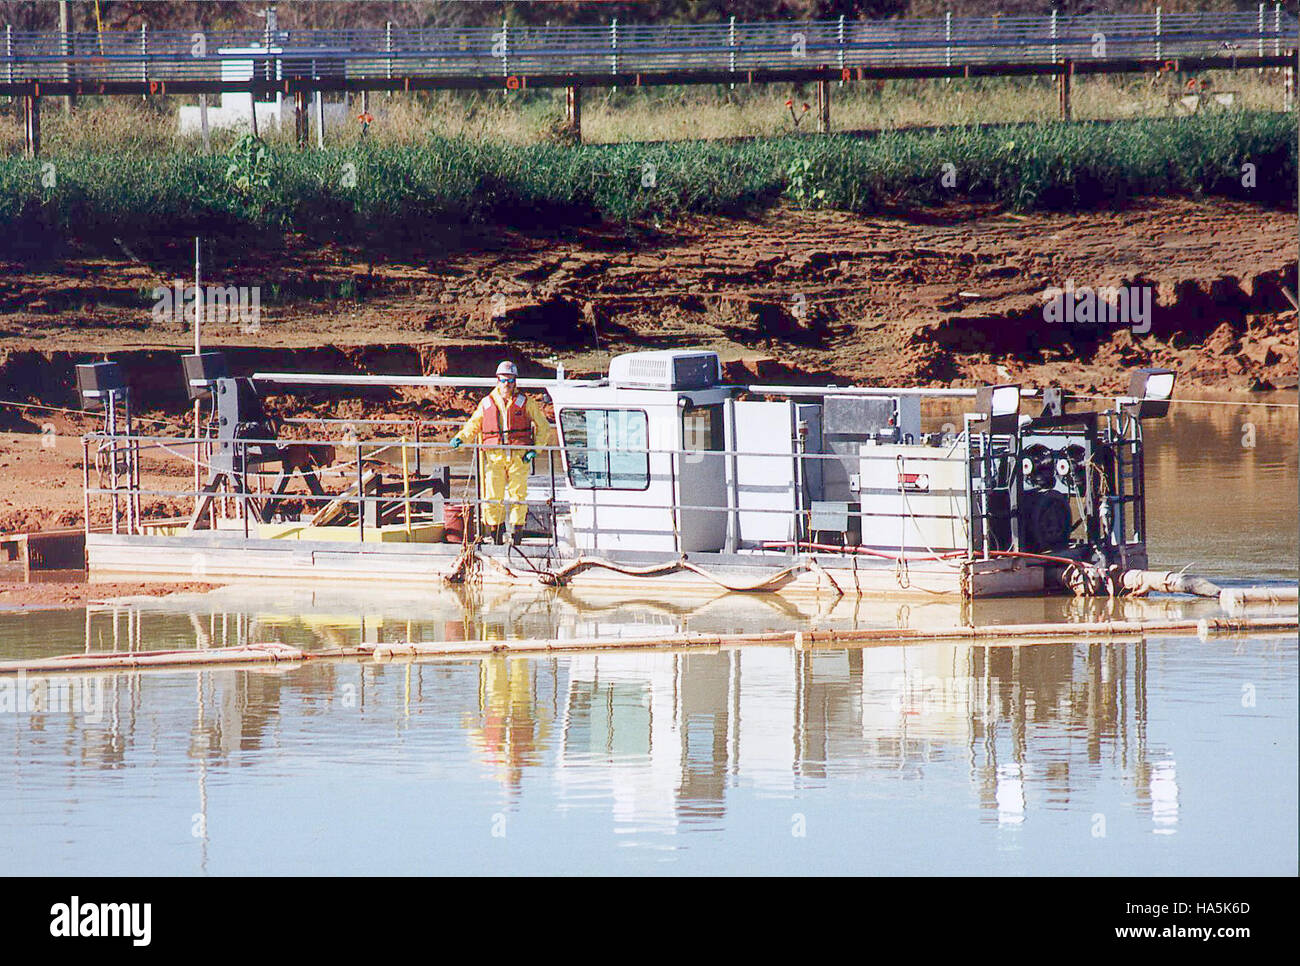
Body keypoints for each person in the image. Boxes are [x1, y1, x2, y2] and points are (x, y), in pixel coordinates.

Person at [450, 361, 556, 546]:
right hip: (494, 457)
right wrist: (461, 438)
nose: (507, 384)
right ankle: (497, 535)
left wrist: (534, 450)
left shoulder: (526, 402)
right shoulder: (486, 403)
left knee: (518, 495)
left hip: (519, 456)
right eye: (503, 380)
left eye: (510, 380)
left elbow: (543, 427)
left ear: (515, 382)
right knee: (492, 496)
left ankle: (517, 536)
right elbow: (474, 425)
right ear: (497, 380)